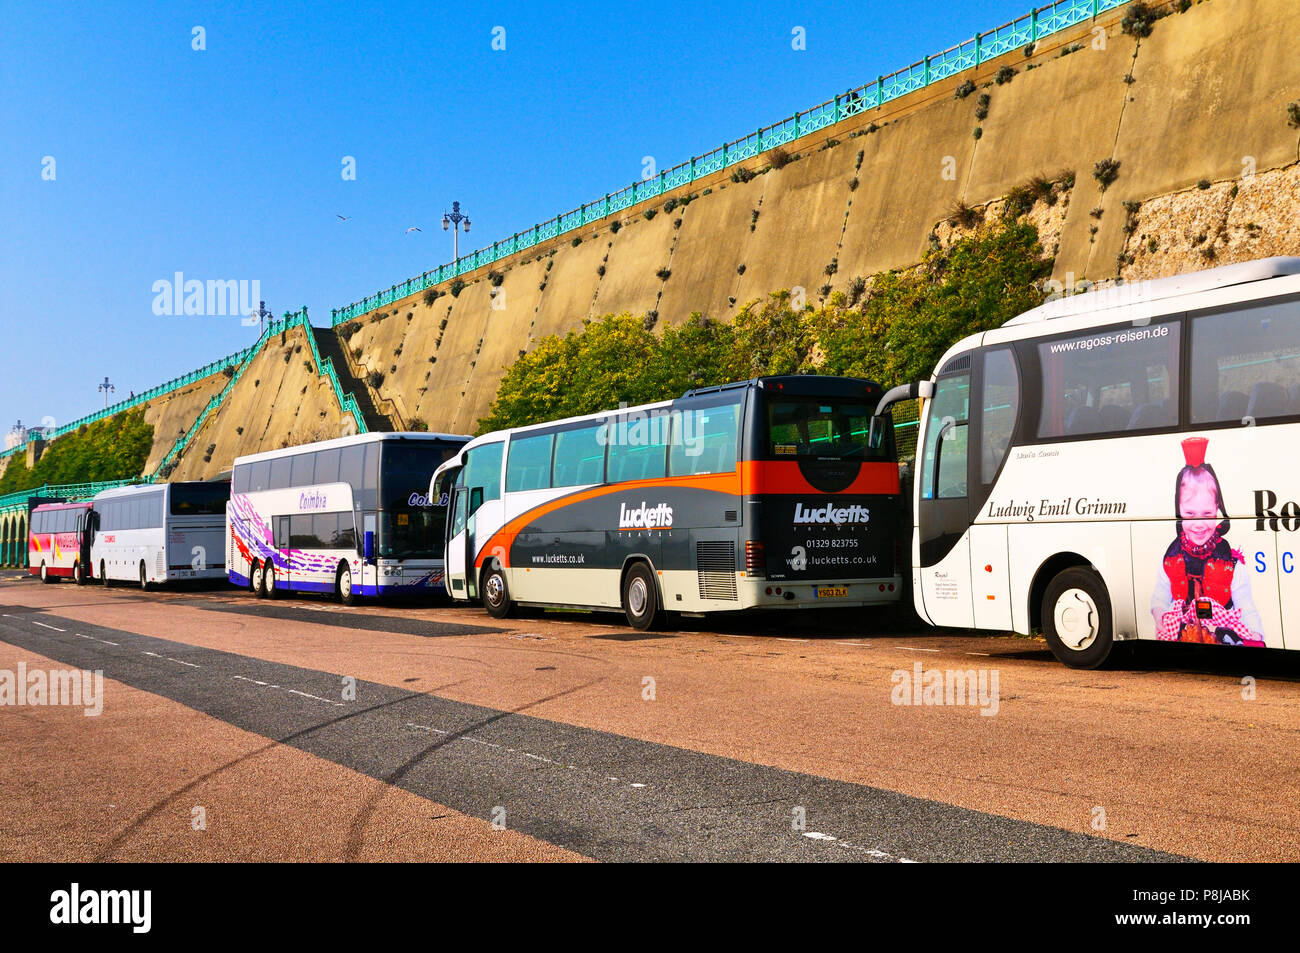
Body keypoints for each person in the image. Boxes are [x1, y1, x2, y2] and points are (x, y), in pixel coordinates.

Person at [1151, 437, 1264, 645]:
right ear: (1179, 512)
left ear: (1218, 510)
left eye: (1207, 514)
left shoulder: (1232, 564)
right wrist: (1160, 616)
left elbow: (1247, 609)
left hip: (1222, 638)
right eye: (1190, 514)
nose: (1199, 523)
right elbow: (1159, 597)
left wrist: (1255, 635)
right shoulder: (1170, 559)